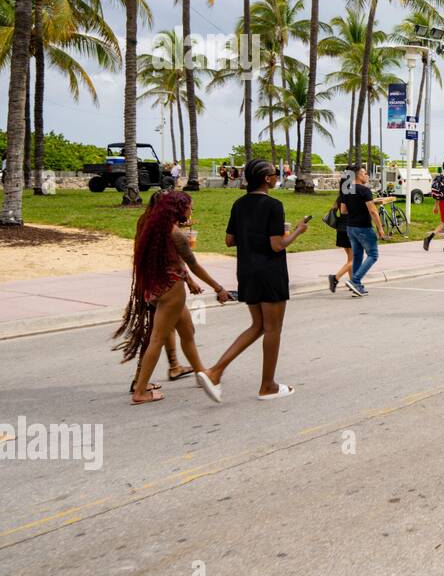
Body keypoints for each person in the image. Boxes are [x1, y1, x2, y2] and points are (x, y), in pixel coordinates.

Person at [198, 159, 309, 402]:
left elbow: (230, 240)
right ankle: (267, 385)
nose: (276, 175)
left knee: (257, 326)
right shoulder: (273, 205)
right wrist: (298, 230)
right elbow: (277, 244)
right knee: (273, 329)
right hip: (270, 272)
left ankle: (215, 371)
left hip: (246, 271)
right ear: (266, 179)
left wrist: (251, 236)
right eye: (273, 173)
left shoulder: (239, 204)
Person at [115, 191, 231, 405]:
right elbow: (194, 265)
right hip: (171, 289)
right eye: (189, 207)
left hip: (154, 287)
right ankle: (140, 391)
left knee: (188, 330)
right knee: (157, 339)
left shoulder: (152, 227)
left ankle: (201, 374)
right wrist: (218, 287)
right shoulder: (175, 234)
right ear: (178, 209)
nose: (191, 210)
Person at [341, 164, 386, 296]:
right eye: (365, 173)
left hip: (351, 227)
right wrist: (380, 228)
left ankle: (357, 286)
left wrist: (355, 207)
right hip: (364, 228)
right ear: (359, 175)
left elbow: (343, 210)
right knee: (373, 254)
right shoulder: (365, 190)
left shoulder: (347, 190)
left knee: (358, 256)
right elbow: (373, 211)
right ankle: (355, 280)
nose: (366, 176)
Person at [327, 185, 353, 294]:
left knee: (350, 258)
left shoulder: (341, 195)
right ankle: (335, 278)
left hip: (341, 229)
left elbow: (334, 208)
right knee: (355, 259)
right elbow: (343, 210)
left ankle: (353, 282)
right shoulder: (349, 194)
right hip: (349, 229)